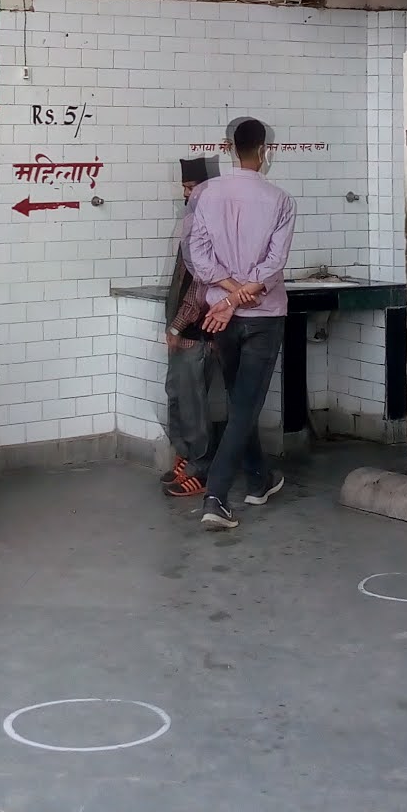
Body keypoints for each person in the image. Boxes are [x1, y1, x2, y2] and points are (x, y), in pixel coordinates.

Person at [182, 116, 295, 531]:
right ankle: (215, 497)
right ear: (265, 151)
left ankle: (261, 480)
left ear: (229, 147)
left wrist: (227, 295)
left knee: (239, 404)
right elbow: (273, 266)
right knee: (244, 408)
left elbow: (197, 257)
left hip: (220, 319)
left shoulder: (206, 195)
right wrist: (241, 294)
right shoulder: (280, 200)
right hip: (262, 317)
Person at [161, 157, 223, 498]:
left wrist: (178, 327)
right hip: (183, 329)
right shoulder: (194, 219)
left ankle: (201, 467)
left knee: (193, 401)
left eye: (191, 187)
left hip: (196, 331)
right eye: (184, 188)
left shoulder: (209, 225)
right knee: (178, 395)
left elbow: (200, 287)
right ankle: (184, 455)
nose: (186, 193)